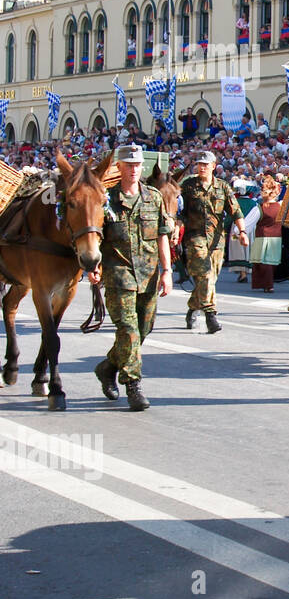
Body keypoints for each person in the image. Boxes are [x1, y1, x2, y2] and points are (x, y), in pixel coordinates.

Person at [94, 144, 174, 411]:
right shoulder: (106, 199)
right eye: (128, 165)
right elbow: (95, 236)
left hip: (149, 274)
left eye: (137, 165)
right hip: (119, 276)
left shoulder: (153, 197)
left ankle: (108, 366)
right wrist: (92, 266)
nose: (133, 170)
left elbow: (163, 234)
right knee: (128, 331)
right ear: (119, 167)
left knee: (143, 329)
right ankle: (133, 384)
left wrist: (167, 271)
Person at [180, 150, 248, 333]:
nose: (201, 167)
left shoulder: (223, 187)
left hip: (217, 241)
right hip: (195, 238)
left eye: (205, 164)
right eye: (199, 164)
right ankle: (211, 315)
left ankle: (193, 307)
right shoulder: (187, 186)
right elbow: (178, 209)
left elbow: (236, 211)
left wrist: (242, 231)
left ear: (213, 166)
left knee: (210, 278)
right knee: (205, 275)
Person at [251, 174, 283, 292]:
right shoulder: (281, 206)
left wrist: (239, 232)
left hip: (262, 237)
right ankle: (269, 284)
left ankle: (267, 285)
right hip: (277, 238)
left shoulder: (260, 208)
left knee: (263, 262)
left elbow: (248, 222)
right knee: (271, 261)